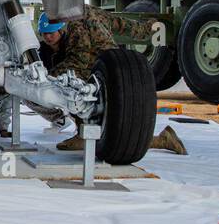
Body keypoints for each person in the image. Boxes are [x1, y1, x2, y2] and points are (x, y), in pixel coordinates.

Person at [36, 9, 155, 150]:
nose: (48, 37)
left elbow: (78, 62)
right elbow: (125, 26)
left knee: (76, 90)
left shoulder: (76, 27)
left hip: (104, 71)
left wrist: (47, 79)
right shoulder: (89, 11)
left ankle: (83, 135)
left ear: (61, 29)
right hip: (116, 69)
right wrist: (150, 27)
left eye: (51, 33)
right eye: (45, 34)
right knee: (117, 125)